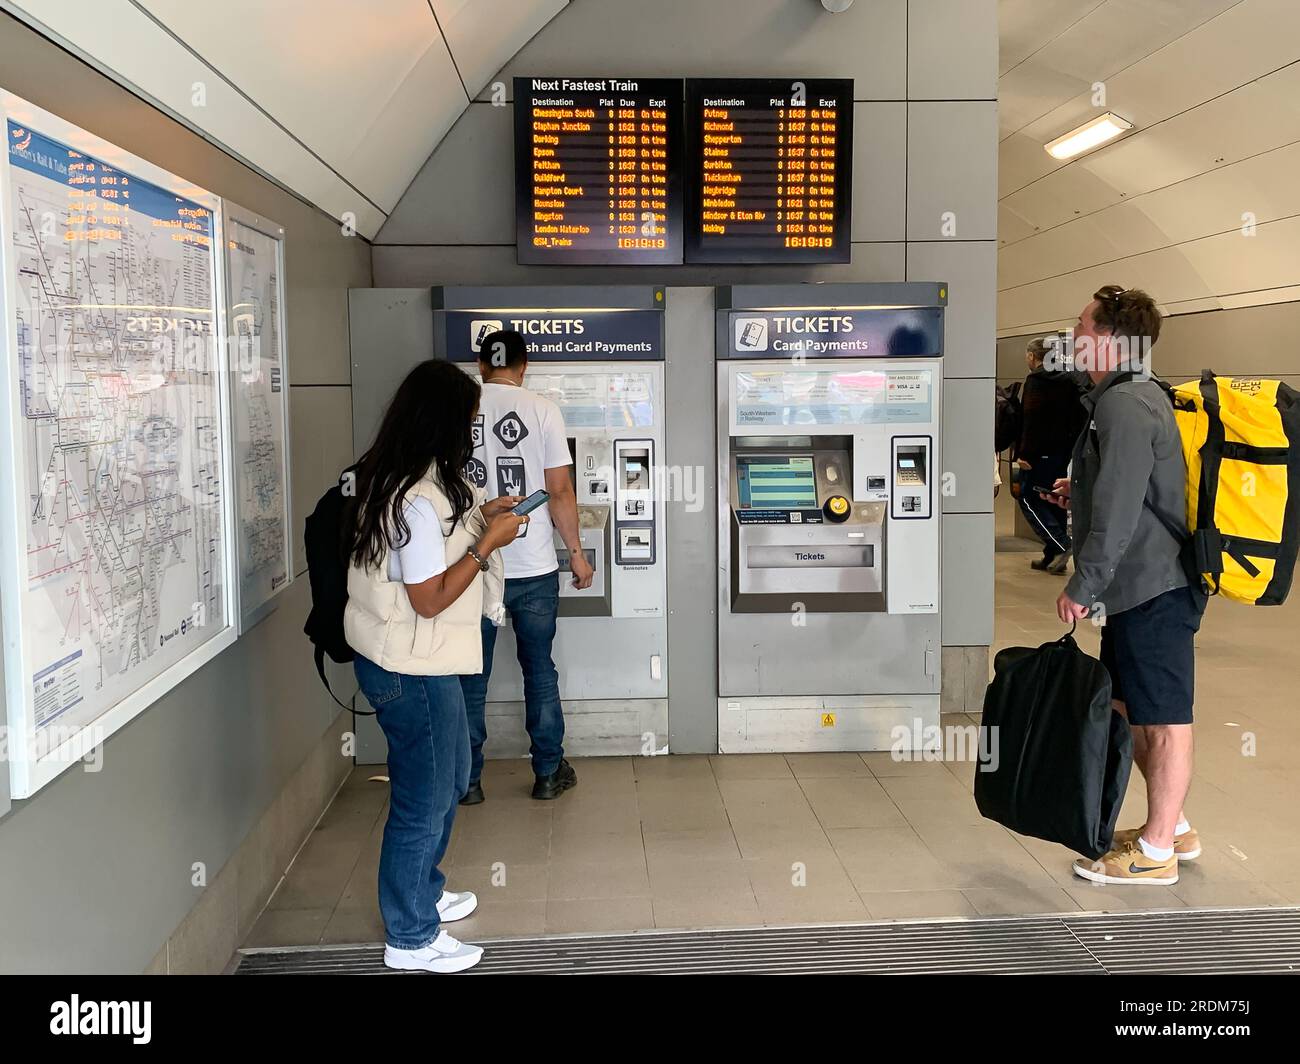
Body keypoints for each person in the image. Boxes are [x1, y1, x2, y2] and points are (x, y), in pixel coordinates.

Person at [343, 359, 528, 973]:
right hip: (409, 669)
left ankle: (423, 889)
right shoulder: (417, 499)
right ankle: (410, 937)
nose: (472, 433)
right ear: (442, 423)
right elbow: (428, 598)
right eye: (469, 423)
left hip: (419, 661)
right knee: (424, 797)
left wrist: (482, 517)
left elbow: (427, 555)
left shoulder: (401, 477)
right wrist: (486, 546)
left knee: (447, 779)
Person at [1045, 285, 1205, 887]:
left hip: (1154, 587)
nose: (1075, 339)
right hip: (1138, 588)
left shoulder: (1127, 404)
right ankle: (1174, 827)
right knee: (1132, 712)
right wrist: (1075, 491)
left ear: (1112, 338)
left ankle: (1157, 853)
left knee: (1162, 720)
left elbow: (1121, 508)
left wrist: (1083, 583)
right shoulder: (1121, 398)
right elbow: (1118, 486)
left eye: (1082, 328)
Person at [458, 329, 594, 804]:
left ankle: (469, 781)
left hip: (473, 566)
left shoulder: (461, 407)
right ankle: (548, 773)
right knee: (539, 669)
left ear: (481, 364)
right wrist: (575, 552)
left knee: (470, 673)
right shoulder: (543, 410)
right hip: (533, 565)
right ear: (524, 365)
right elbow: (559, 491)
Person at [1016, 336, 1085, 573]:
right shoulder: (1070, 380)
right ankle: (1051, 555)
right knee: (1053, 496)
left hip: (1038, 452)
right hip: (1063, 450)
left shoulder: (1036, 380)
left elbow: (1031, 420)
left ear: (1032, 356)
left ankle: (1060, 544)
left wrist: (1023, 453)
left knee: (1028, 496)